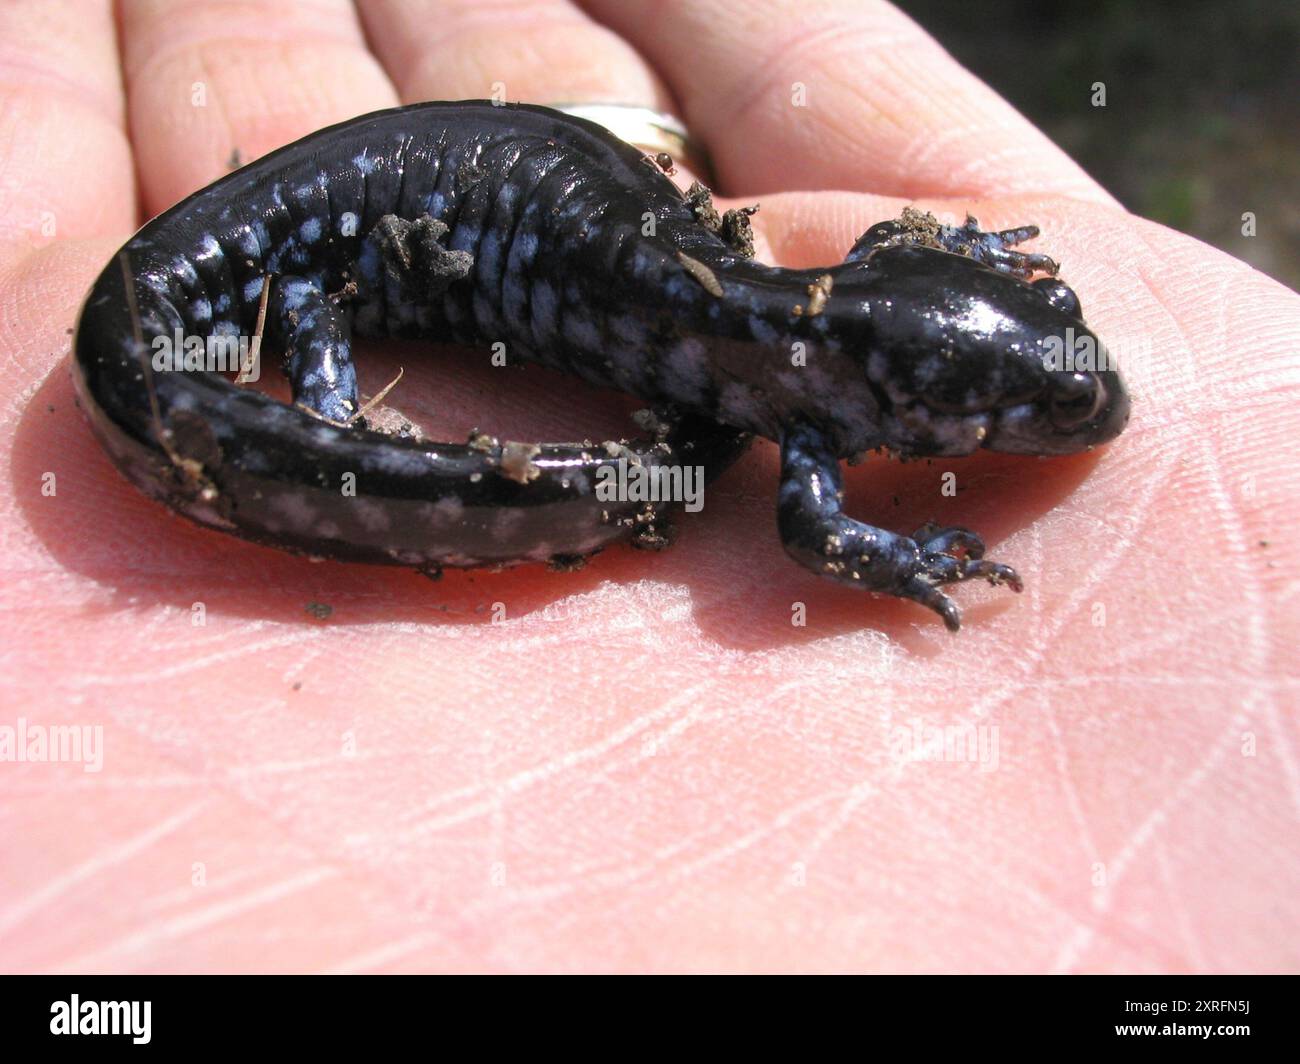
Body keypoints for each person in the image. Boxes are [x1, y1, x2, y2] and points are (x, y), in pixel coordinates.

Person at [1, 0, 1295, 973]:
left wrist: (949, 263)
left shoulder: (816, 359)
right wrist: (905, 560)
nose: (1085, 415)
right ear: (918, 396)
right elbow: (813, 532)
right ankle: (327, 434)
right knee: (289, 362)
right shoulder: (811, 406)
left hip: (415, 190)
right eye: (1041, 406)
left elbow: (889, 261)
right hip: (300, 251)